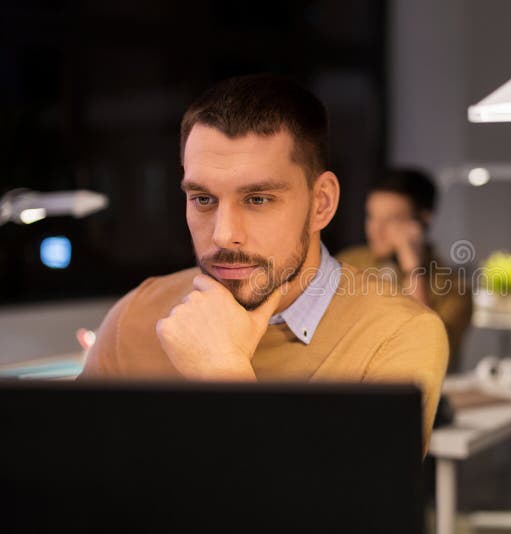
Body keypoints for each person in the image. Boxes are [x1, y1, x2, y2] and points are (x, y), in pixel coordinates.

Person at [80, 74, 449, 452]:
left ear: (321, 203)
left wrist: (223, 374)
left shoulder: (398, 334)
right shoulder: (135, 316)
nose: (224, 235)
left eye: (257, 199)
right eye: (203, 199)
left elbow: (356, 492)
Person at [337, 169, 472, 372]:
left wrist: (412, 269)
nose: (375, 229)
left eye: (391, 219)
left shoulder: (453, 288)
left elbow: (426, 349)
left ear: (422, 221)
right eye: (371, 216)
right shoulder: (348, 263)